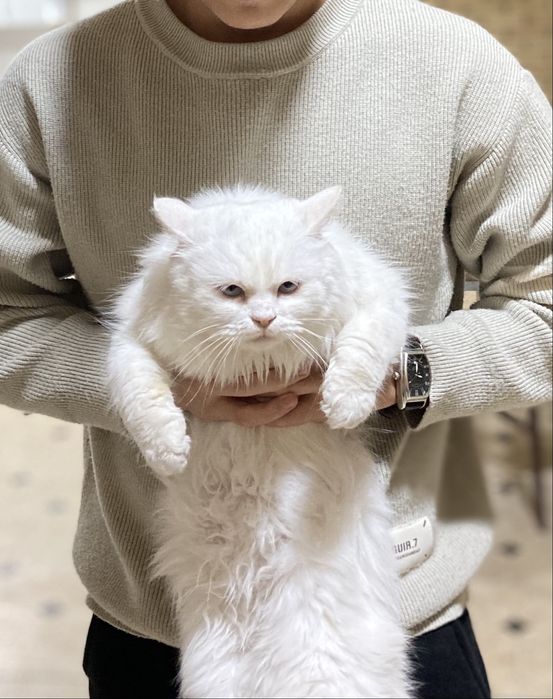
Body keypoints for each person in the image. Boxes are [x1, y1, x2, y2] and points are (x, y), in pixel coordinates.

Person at [0, 0, 550, 696]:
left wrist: (398, 374)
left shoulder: (457, 66)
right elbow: (8, 315)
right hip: (159, 615)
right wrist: (155, 387)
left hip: (386, 606)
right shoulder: (44, 86)